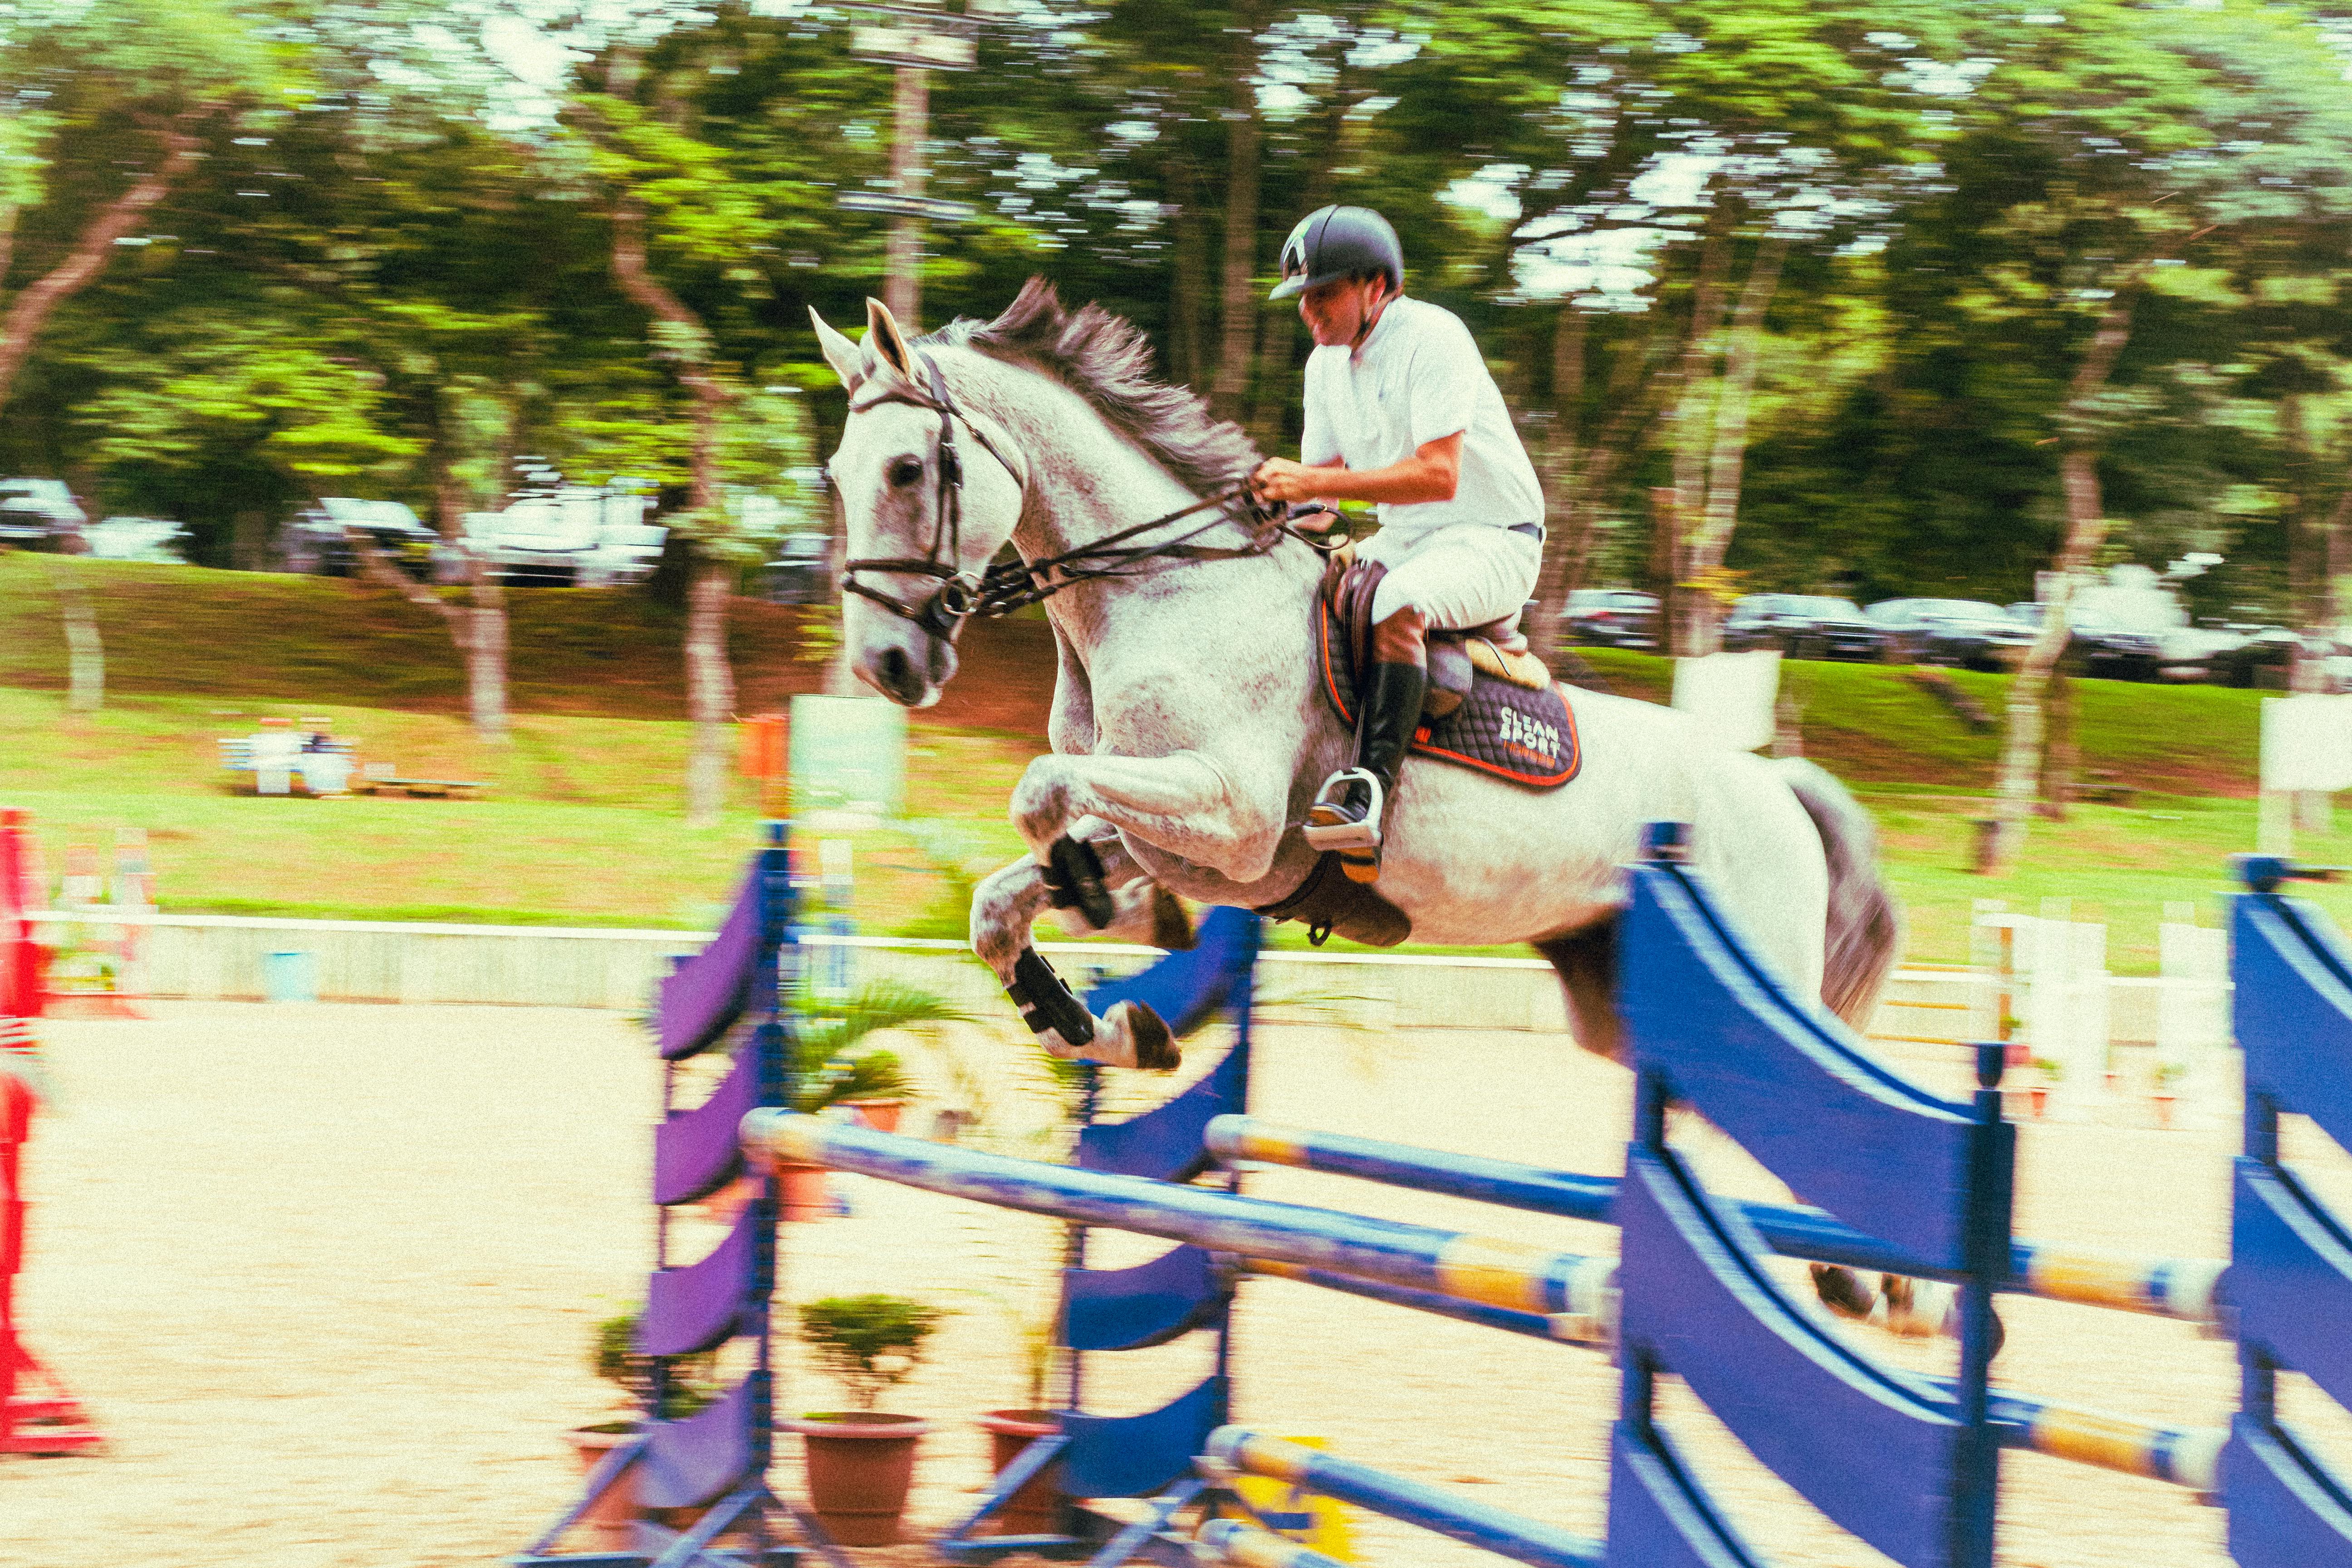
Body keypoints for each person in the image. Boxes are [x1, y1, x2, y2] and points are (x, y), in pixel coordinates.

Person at [1250, 204, 1546, 883]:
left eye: (1323, 293)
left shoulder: (1436, 337)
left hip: (1495, 540)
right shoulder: (1323, 367)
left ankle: (1367, 794)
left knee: (1399, 603)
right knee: (1297, 598)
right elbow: (1322, 505)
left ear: (1376, 287)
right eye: (1302, 298)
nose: (1308, 311)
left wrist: (1315, 482)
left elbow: (1439, 476)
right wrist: (1262, 513)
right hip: (1409, 537)